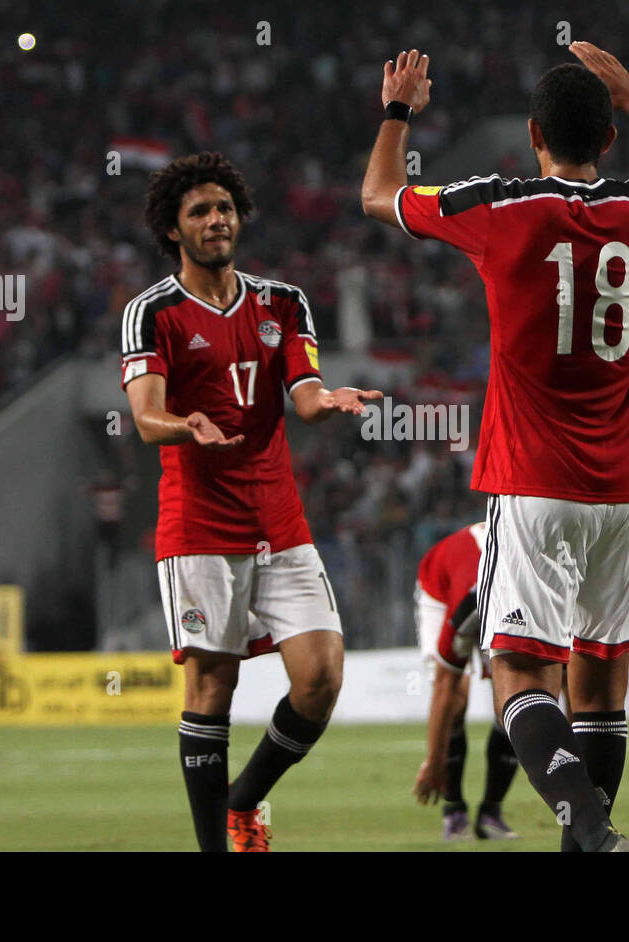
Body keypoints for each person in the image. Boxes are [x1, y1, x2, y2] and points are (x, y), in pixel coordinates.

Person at [362, 43, 629, 851]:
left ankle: (595, 838)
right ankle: (592, 844)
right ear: (607, 139)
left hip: (533, 484)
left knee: (521, 676)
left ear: (533, 134)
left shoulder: (498, 210)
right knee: (600, 688)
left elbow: (377, 193)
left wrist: (398, 112)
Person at [121, 152, 381, 850]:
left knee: (321, 676)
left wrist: (326, 401)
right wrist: (186, 425)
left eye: (224, 208)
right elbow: (147, 418)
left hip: (280, 522)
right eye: (199, 212)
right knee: (213, 692)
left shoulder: (283, 302)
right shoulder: (152, 314)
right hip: (200, 527)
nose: (216, 221)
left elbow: (303, 395)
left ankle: (245, 799)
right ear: (173, 230)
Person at [411, 522, 520, 841]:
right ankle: (454, 810)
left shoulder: (539, 590)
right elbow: (445, 686)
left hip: (503, 601)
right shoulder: (467, 600)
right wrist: (433, 763)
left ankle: (491, 813)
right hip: (442, 592)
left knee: (512, 702)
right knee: (456, 700)